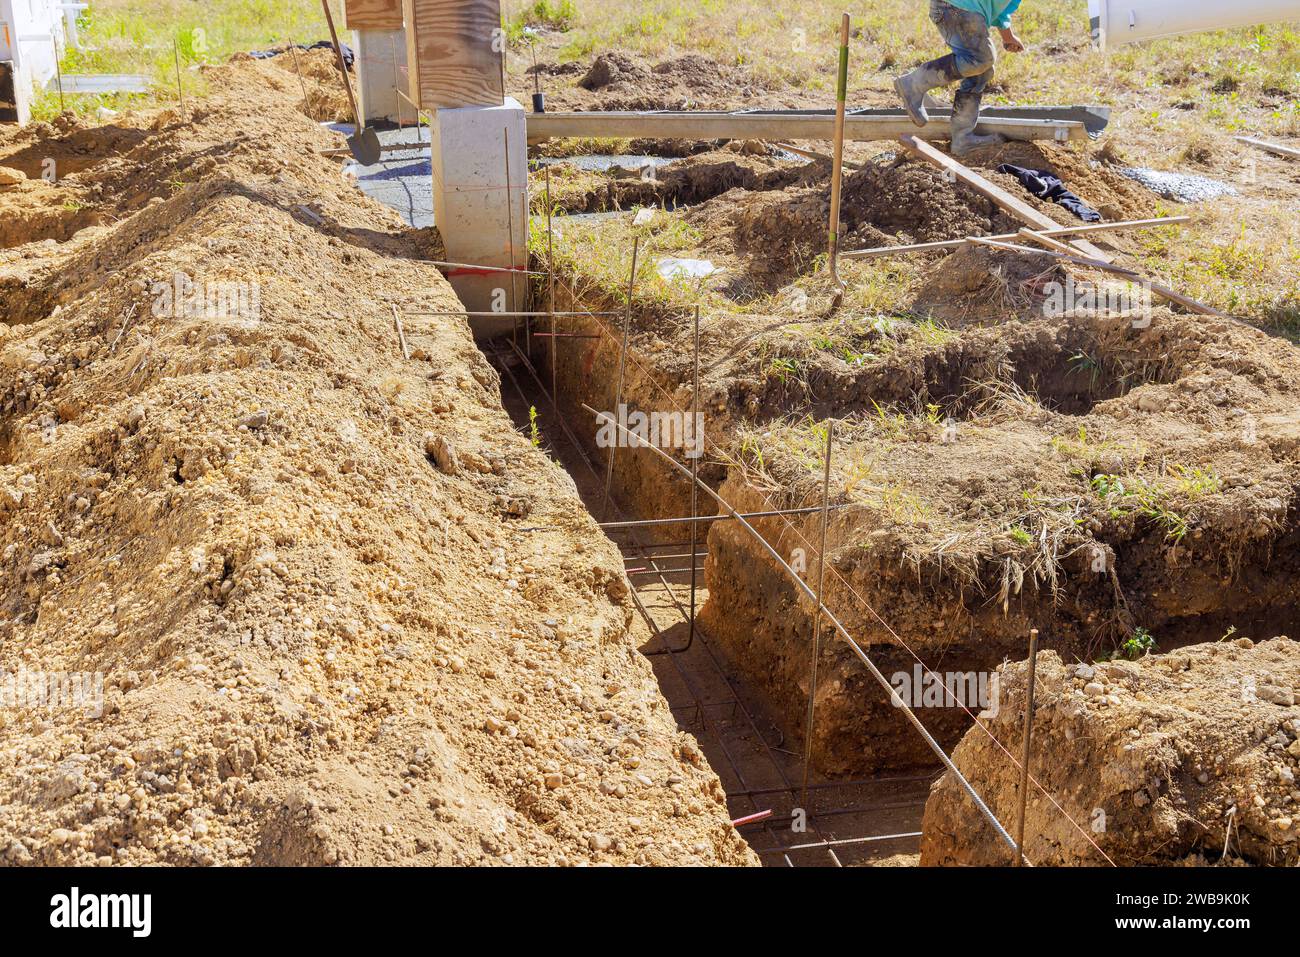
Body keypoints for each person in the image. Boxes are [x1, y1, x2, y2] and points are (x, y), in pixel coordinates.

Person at [893, 0, 1026, 155]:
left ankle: (962, 139)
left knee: (982, 70)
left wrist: (1008, 36)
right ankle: (913, 84)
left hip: (959, 9)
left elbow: (999, 9)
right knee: (981, 59)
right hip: (957, 8)